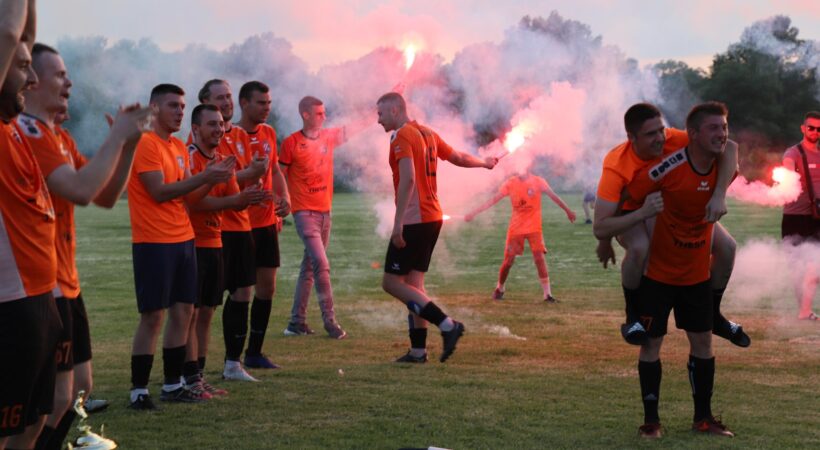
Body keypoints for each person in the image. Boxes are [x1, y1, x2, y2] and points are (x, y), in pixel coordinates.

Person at [21, 42, 149, 449]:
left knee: (77, 388)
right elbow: (80, 188)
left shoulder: (58, 137)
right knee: (51, 400)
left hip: (66, 280)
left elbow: (106, 195)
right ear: (31, 79)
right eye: (60, 74)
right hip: (42, 282)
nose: (69, 82)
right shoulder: (28, 132)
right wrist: (116, 136)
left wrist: (128, 145)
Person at [613, 102, 738, 438]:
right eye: (713, 128)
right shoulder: (666, 169)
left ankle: (703, 419)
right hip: (659, 274)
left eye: (724, 127)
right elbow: (627, 198)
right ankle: (651, 422)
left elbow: (732, 150)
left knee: (703, 343)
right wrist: (614, 235)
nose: (722, 134)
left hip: (696, 274)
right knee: (651, 344)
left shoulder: (723, 164)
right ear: (692, 134)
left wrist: (720, 194)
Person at [593, 103, 748, 348]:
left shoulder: (673, 138)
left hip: (665, 204)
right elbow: (601, 225)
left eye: (661, 130)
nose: (660, 138)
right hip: (633, 211)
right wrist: (606, 241)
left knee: (727, 247)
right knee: (639, 247)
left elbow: (729, 148)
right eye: (650, 134)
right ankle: (632, 316)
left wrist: (719, 195)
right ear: (631, 138)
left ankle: (713, 314)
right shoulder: (616, 165)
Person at [127, 84, 235, 409]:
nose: (179, 112)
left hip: (184, 238)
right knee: (153, 316)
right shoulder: (146, 143)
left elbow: (188, 196)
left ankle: (173, 385)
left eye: (182, 106)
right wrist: (206, 177)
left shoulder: (176, 145)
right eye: (173, 105)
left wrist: (214, 180)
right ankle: (138, 390)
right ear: (154, 109)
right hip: (153, 241)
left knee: (184, 313)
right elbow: (159, 192)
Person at [376, 92, 498, 363]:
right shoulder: (427, 133)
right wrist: (485, 163)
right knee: (414, 285)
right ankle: (418, 351)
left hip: (415, 219)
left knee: (391, 283)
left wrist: (397, 223)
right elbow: (458, 157)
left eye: (380, 113)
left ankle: (448, 325)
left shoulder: (401, 136)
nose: (378, 120)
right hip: (432, 217)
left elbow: (408, 179)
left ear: (395, 110)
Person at [0, 3, 61, 447]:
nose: (34, 78)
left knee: (35, 420)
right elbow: (7, 33)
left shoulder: (14, 127)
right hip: (8, 306)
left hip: (39, 300)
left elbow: (19, 36)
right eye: (23, 68)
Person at [183, 104, 270, 399]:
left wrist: (252, 195)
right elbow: (193, 202)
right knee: (191, 314)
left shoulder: (222, 161)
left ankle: (198, 376)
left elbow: (234, 199)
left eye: (221, 124)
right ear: (196, 129)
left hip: (215, 242)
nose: (219, 129)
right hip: (193, 243)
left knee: (206, 313)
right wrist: (234, 199)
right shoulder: (191, 157)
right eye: (212, 124)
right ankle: (185, 377)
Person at [279, 96, 350, 338]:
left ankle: (296, 323)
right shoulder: (291, 143)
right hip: (304, 213)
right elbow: (279, 175)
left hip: (325, 212)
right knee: (321, 263)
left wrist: (382, 105)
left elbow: (357, 127)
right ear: (305, 115)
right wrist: (279, 203)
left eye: (324, 112)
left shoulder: (328, 137)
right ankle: (330, 321)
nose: (324, 117)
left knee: (309, 267)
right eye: (319, 113)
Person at [236, 80, 292, 363]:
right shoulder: (230, 135)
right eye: (261, 103)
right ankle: (232, 357)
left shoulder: (269, 132)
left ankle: (254, 352)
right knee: (241, 292)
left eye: (269, 103)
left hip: (266, 223)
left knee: (267, 288)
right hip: (239, 225)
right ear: (244, 103)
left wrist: (285, 197)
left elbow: (276, 171)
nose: (267, 108)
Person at [464, 171, 576, 302]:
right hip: (516, 228)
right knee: (508, 261)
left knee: (539, 258)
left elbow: (554, 196)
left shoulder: (538, 181)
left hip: (534, 228)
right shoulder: (511, 183)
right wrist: (474, 213)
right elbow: (493, 200)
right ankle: (500, 288)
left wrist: (568, 211)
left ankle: (547, 295)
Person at [781, 111, 820, 321]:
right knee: (797, 266)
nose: (815, 132)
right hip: (794, 216)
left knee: (815, 262)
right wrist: (788, 175)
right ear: (803, 128)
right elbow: (787, 168)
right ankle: (804, 310)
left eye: (819, 129)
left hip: (816, 217)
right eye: (811, 127)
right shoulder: (793, 153)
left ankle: (805, 310)